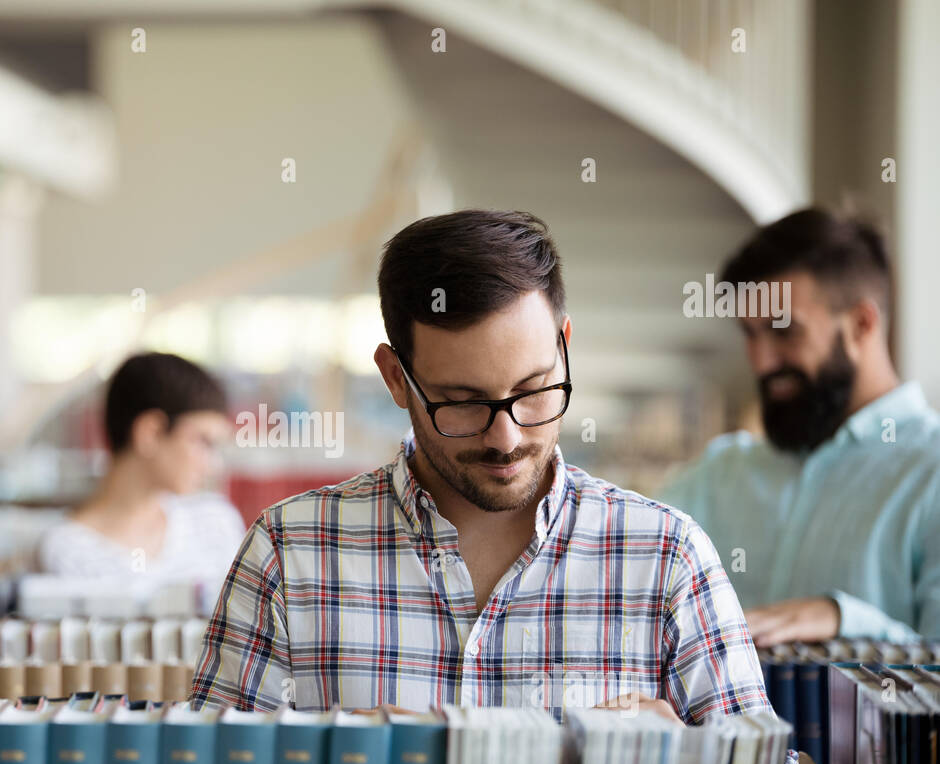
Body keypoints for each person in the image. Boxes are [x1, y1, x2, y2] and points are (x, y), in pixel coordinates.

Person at [191, 209, 773, 729]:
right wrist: (339, 757)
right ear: (396, 378)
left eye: (534, 389)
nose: (508, 437)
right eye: (462, 401)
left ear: (564, 347)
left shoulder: (667, 557)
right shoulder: (288, 553)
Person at [658, 208, 940, 646]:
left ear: (862, 324)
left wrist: (844, 621)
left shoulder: (932, 471)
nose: (762, 362)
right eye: (750, 334)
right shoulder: (718, 476)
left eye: (783, 330)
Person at [38, 352, 247, 610]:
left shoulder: (217, 523)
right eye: (202, 441)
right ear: (151, 432)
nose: (214, 464)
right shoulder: (68, 550)